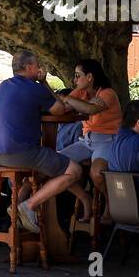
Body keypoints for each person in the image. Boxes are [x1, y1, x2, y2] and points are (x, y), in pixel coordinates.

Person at [0, 50, 81, 237]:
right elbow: (60, 110)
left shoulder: (3, 86)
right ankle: (28, 206)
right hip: (19, 151)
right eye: (37, 65)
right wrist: (44, 82)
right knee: (74, 170)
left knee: (40, 170)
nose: (39, 69)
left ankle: (16, 207)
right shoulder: (35, 88)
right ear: (29, 67)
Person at [54, 59, 121, 220]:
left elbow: (90, 109)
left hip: (108, 140)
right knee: (54, 164)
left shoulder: (107, 93)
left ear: (90, 77)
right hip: (86, 140)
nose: (75, 80)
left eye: (78, 76)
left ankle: (111, 204)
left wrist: (69, 99)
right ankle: (85, 198)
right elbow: (61, 107)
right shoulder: (79, 92)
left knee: (96, 173)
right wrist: (43, 83)